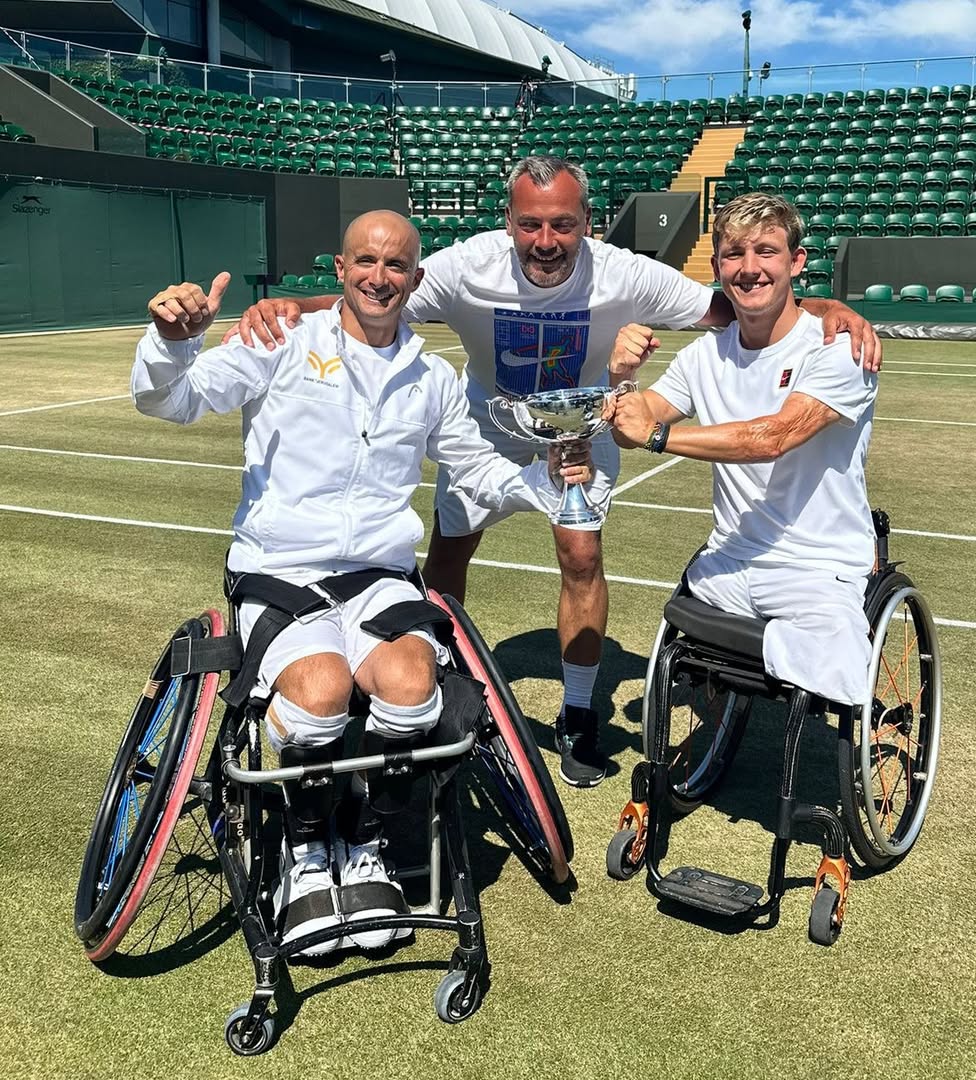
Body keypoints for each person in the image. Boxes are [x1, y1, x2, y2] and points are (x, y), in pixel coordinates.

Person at [227, 156, 882, 788]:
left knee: (580, 557)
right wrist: (288, 305)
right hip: (482, 424)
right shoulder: (465, 266)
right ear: (508, 221)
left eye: (562, 224)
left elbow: (733, 304)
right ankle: (436, 675)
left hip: (580, 428)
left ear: (588, 222)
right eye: (531, 224)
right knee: (448, 553)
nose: (546, 240)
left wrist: (826, 310)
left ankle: (577, 715)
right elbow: (375, 289)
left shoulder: (627, 274)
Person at [131, 210, 589, 956]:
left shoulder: (431, 377)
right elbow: (170, 400)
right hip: (281, 567)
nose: (381, 277)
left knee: (414, 689)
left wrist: (546, 481)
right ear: (340, 270)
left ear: (414, 279)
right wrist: (173, 342)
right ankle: (306, 852)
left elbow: (474, 471)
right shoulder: (280, 341)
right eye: (366, 263)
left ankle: (365, 839)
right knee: (321, 695)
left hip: (377, 573)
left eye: (398, 266)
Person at [604, 192, 877, 706]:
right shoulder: (705, 353)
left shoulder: (842, 349)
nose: (750, 269)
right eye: (734, 254)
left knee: (839, 670)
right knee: (674, 645)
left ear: (797, 261)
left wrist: (660, 436)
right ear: (717, 266)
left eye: (766, 252)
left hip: (817, 567)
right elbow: (630, 426)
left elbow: (772, 437)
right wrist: (621, 378)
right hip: (729, 562)